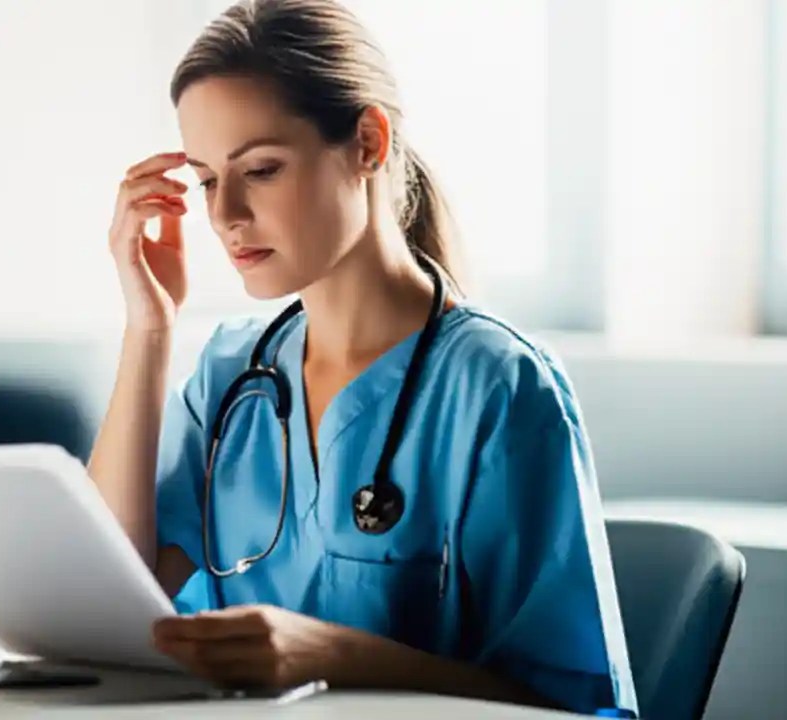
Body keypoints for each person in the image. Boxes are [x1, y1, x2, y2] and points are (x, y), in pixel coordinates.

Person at [86, 0, 637, 715]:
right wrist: (147, 330)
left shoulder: (495, 388)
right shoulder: (229, 375)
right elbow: (105, 602)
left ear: (369, 143)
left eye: (261, 169)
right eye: (206, 180)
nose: (225, 217)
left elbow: (567, 705)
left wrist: (332, 657)